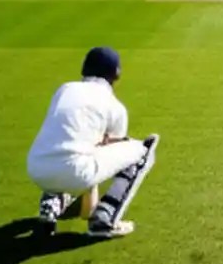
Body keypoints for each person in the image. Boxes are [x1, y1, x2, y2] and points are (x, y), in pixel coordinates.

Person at [26, 47, 159, 238]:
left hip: (36, 168)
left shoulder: (65, 89)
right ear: (116, 74)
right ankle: (104, 217)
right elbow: (107, 151)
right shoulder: (116, 107)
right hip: (75, 171)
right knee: (144, 150)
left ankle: (51, 205)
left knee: (68, 148)